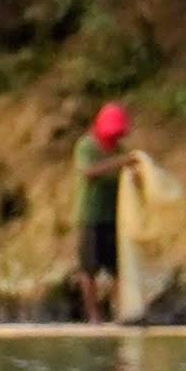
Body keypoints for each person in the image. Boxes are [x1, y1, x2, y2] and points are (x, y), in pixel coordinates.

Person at [67, 104, 134, 323]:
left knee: (117, 267)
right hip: (91, 216)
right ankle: (93, 316)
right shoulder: (87, 146)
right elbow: (89, 172)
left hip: (113, 217)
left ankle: (120, 312)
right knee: (89, 269)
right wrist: (121, 163)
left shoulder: (118, 149)